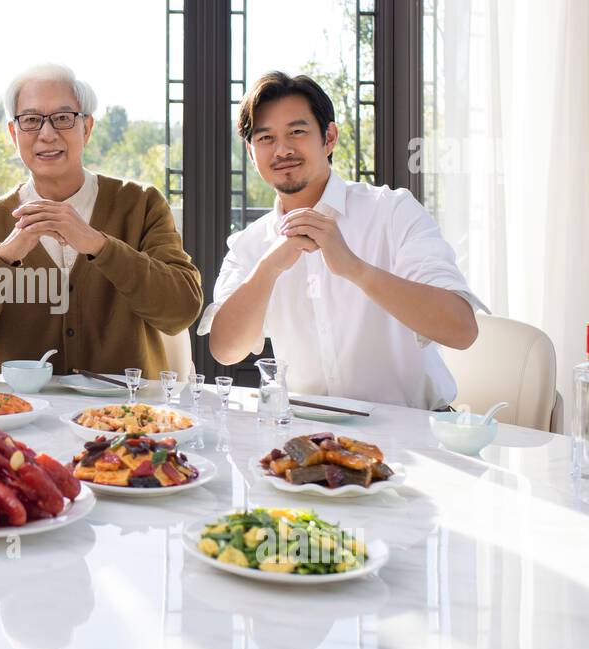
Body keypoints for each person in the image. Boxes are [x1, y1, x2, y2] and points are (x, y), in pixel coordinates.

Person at [199, 70, 483, 409]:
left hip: (420, 429)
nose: (282, 149)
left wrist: (355, 269)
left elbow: (462, 330)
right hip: (312, 438)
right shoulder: (250, 243)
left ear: (329, 137)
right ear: (251, 152)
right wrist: (269, 267)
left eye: (297, 132)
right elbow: (227, 350)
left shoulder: (392, 211)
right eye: (265, 138)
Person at [0, 63, 201, 378]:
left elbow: (181, 310)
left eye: (62, 118)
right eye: (31, 120)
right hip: (24, 417)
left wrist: (97, 244)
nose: (47, 134)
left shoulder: (141, 204)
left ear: (86, 128)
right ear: (13, 133)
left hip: (127, 417)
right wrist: (5, 257)